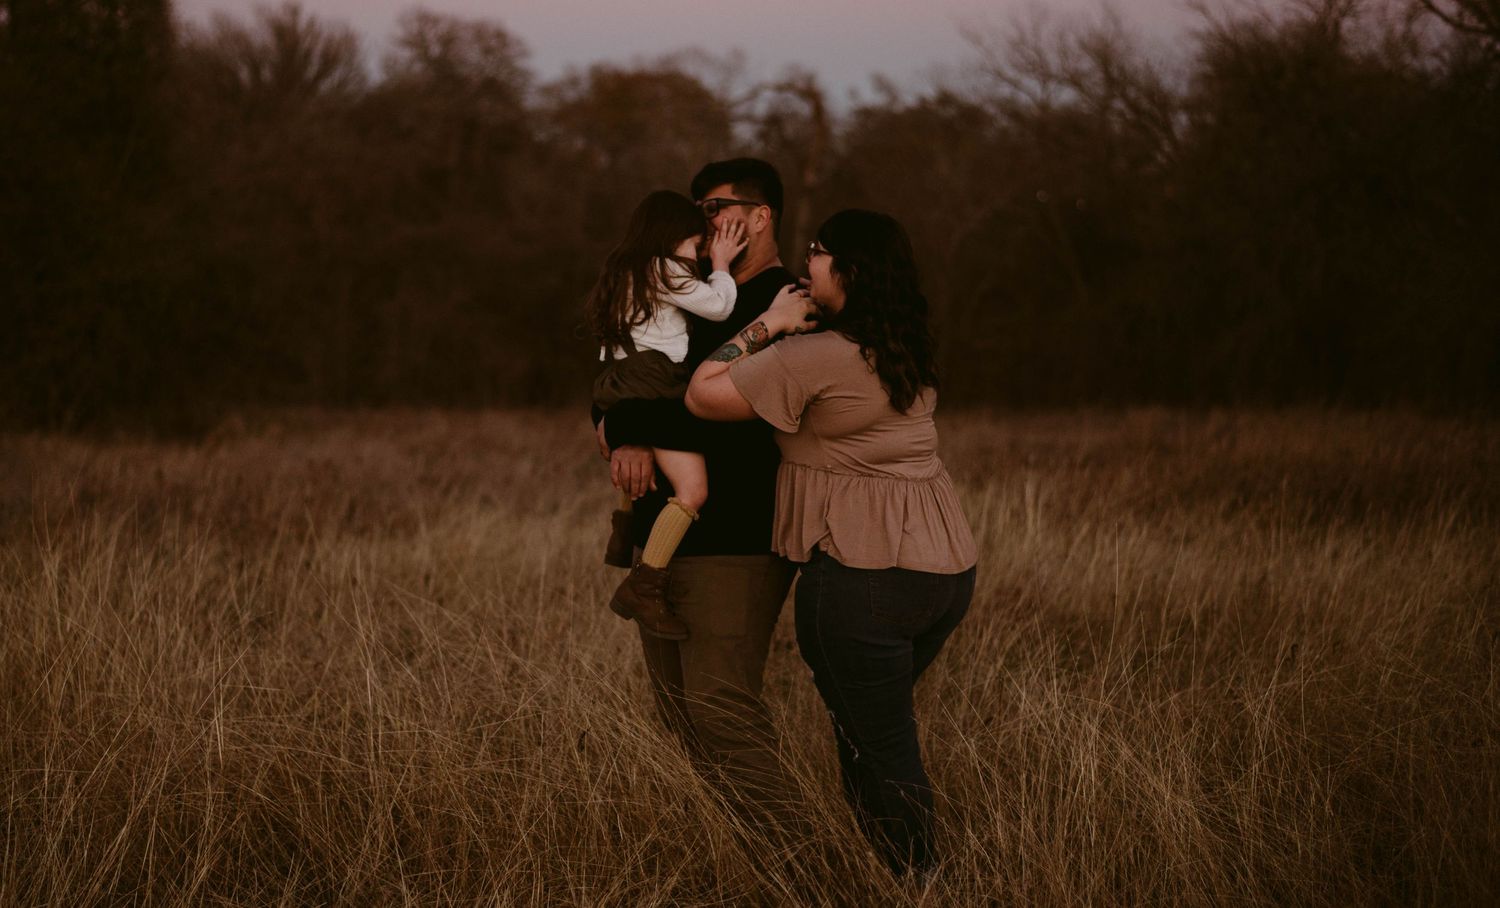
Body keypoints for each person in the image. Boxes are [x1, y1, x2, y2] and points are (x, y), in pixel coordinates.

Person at [685, 209, 978, 877]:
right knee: (867, 735)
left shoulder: (813, 356)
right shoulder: (905, 348)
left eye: (818, 252)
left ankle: (914, 881)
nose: (806, 264)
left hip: (864, 575)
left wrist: (769, 323)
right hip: (945, 572)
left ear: (850, 270)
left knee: (881, 748)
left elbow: (703, 393)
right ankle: (887, 872)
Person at [592, 159, 806, 826]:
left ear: (761, 216)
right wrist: (622, 430)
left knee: (721, 712)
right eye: (697, 209)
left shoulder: (790, 304)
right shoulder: (678, 284)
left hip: (735, 537)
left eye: (716, 207)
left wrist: (636, 426)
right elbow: (621, 378)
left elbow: (735, 420)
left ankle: (812, 869)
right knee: (680, 717)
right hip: (663, 538)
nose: (704, 220)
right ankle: (744, 865)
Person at [586, 189, 749, 640]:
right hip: (655, 381)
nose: (697, 254)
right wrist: (721, 264)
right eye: (695, 244)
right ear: (672, 236)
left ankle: (624, 528)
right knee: (693, 490)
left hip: (624, 379)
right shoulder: (663, 268)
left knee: (651, 463)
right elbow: (719, 306)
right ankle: (645, 585)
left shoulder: (624, 269)